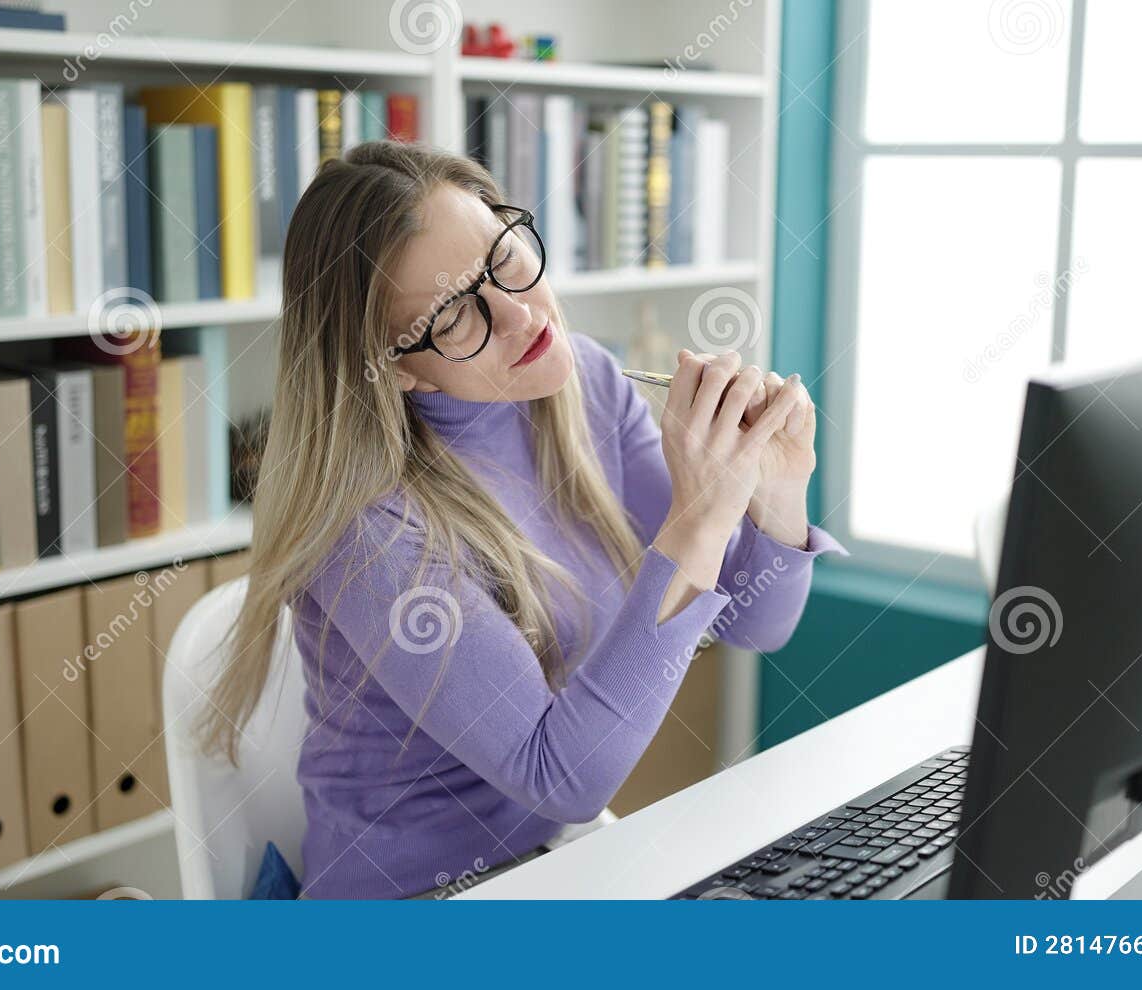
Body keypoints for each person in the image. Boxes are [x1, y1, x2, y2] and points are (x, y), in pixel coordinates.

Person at [198, 142, 844, 898]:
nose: (519, 314)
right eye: (454, 314)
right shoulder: (366, 528)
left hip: (555, 872)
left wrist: (773, 490)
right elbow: (561, 776)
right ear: (394, 365)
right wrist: (701, 515)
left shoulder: (585, 384)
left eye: (505, 259)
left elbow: (756, 624)